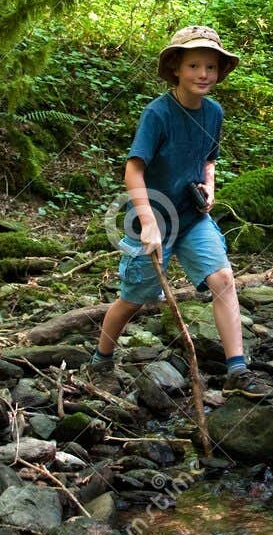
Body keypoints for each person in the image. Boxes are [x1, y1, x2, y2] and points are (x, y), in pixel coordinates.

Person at [91, 25, 254, 388]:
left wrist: (209, 189)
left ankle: (238, 370)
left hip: (193, 217)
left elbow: (209, 160)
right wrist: (148, 223)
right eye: (194, 65)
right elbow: (133, 171)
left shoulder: (213, 113)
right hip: (152, 217)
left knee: (223, 280)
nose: (203, 74)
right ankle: (101, 358)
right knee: (133, 299)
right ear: (177, 68)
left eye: (211, 67)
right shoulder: (158, 114)